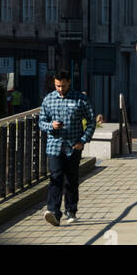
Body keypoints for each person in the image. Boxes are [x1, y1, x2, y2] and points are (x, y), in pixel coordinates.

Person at [38, 69, 96, 227]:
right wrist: (51, 125)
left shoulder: (80, 99)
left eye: (63, 86)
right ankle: (53, 212)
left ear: (69, 82)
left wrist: (83, 140)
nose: (60, 89)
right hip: (54, 146)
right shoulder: (48, 100)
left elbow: (91, 121)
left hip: (73, 146)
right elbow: (41, 122)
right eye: (57, 86)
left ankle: (71, 210)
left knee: (71, 179)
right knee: (55, 177)